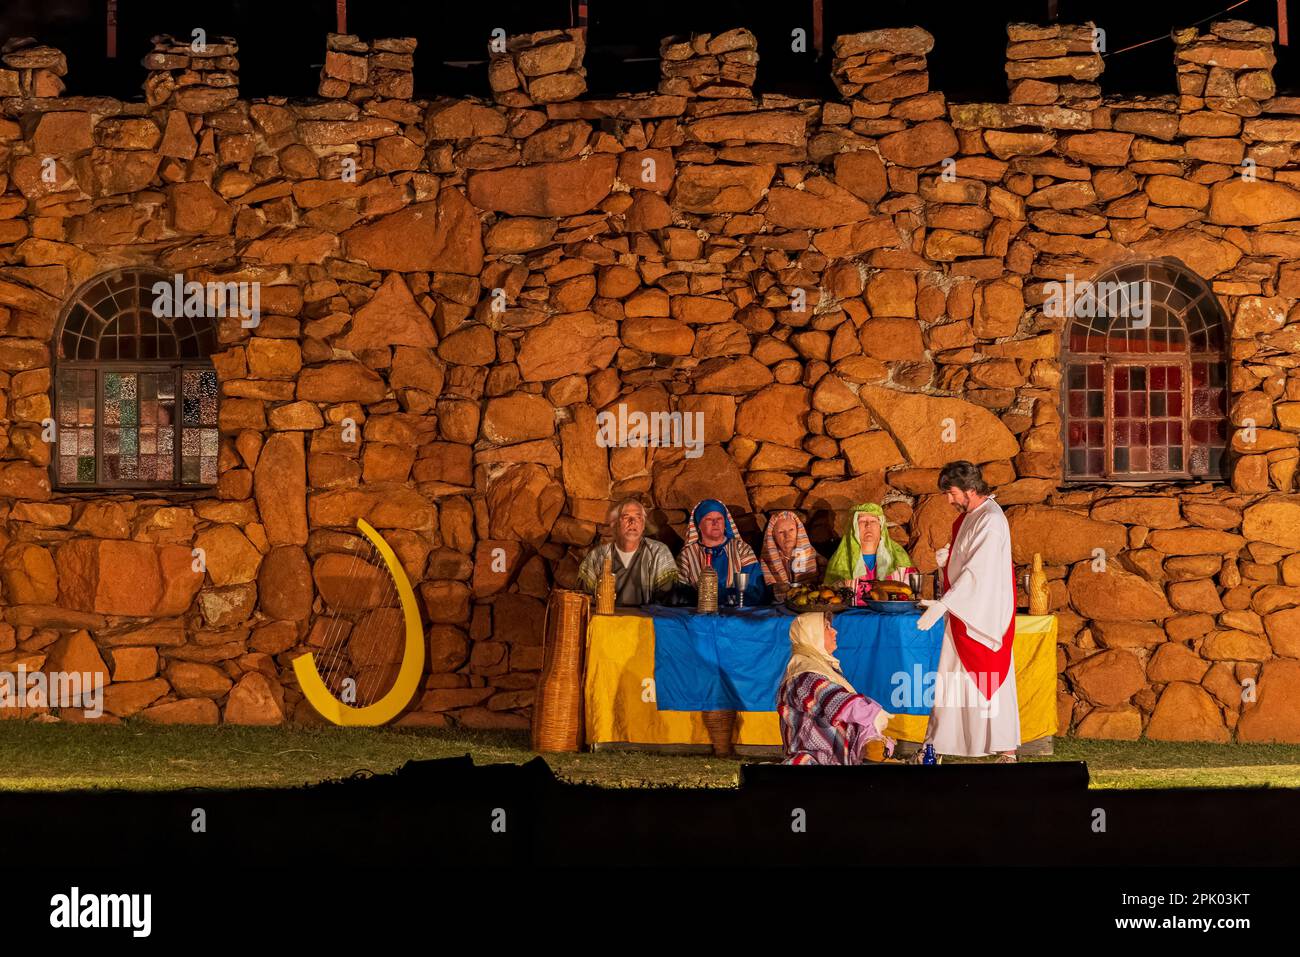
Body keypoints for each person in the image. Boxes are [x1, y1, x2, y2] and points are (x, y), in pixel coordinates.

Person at [913, 461, 1020, 764]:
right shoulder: (969, 517)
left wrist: (944, 604)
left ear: (971, 489)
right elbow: (967, 562)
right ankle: (934, 746)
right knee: (951, 681)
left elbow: (980, 572)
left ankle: (1006, 750)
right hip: (963, 612)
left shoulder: (991, 520)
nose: (949, 500)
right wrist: (948, 562)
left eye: (952, 493)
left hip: (983, 617)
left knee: (989, 678)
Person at [777, 612, 895, 765]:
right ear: (813, 635)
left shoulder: (822, 670)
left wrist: (871, 735)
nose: (835, 631)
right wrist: (872, 713)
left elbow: (843, 719)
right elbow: (835, 701)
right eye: (827, 627)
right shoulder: (803, 676)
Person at [577, 499, 678, 607]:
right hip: (606, 617)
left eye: (638, 517)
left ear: (643, 525)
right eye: (626, 517)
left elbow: (668, 600)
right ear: (616, 524)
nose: (632, 522)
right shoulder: (597, 556)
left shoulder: (658, 553)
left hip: (647, 617)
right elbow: (583, 600)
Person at [676, 499, 765, 606]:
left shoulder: (741, 549)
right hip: (699, 611)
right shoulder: (687, 554)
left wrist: (726, 597)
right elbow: (679, 593)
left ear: (725, 523)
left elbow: (754, 588)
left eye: (719, 518)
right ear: (699, 525)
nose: (715, 523)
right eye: (709, 519)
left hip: (736, 611)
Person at [824, 503, 918, 593]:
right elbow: (831, 593)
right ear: (853, 527)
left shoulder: (899, 556)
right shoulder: (841, 560)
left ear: (881, 526)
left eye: (873, 521)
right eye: (862, 521)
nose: (868, 525)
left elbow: (912, 592)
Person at [759, 510, 824, 603]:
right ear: (773, 536)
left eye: (791, 530)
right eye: (781, 532)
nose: (787, 536)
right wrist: (774, 589)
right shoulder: (766, 561)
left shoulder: (813, 556)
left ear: (798, 531)